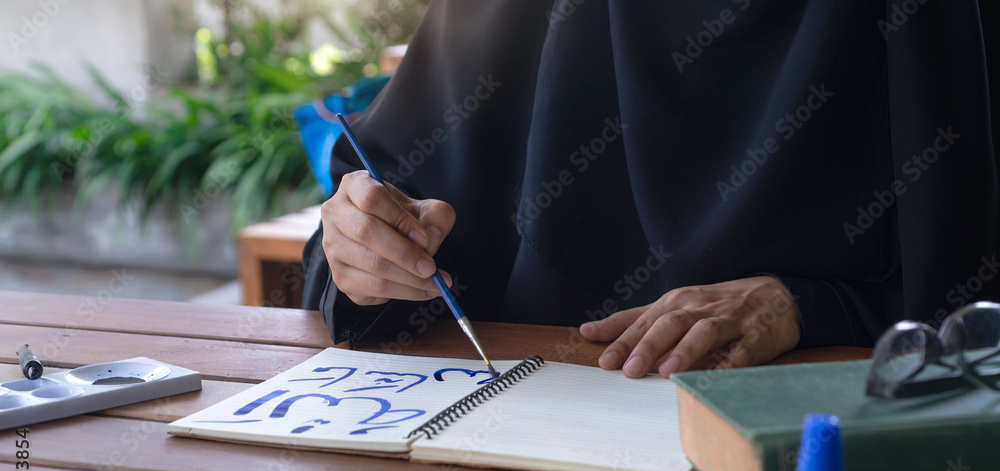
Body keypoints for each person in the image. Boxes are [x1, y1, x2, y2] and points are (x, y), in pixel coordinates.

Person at [303, 0, 999, 378]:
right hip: (518, 456)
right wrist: (363, 251)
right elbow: (363, 234)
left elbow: (975, 304)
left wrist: (813, 309)